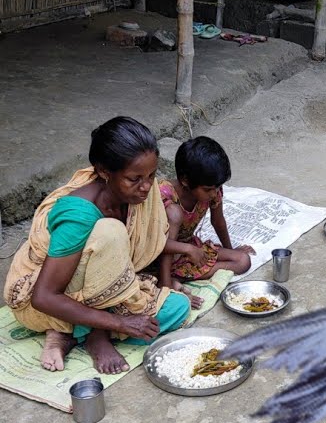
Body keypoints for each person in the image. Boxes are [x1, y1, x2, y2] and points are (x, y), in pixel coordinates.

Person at [3, 117, 192, 374]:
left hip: (92, 290)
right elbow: (44, 297)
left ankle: (72, 334)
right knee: (111, 232)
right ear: (104, 172)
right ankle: (94, 335)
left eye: (151, 175)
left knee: (178, 308)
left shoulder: (136, 197)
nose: (147, 187)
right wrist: (121, 322)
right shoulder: (78, 214)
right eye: (134, 178)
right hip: (42, 300)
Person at [156, 136, 254, 299]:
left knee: (243, 261)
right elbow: (153, 244)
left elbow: (218, 221)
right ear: (186, 180)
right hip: (159, 256)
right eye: (208, 189)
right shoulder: (164, 196)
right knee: (174, 214)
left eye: (217, 187)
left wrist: (229, 249)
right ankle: (165, 283)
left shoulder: (212, 190)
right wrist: (187, 249)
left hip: (186, 252)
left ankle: (177, 278)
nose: (214, 193)